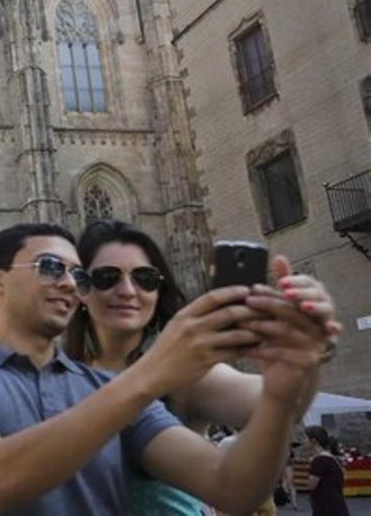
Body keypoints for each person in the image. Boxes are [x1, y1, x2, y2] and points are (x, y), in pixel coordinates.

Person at [0, 223, 332, 515]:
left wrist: (283, 389)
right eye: (51, 267)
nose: (70, 283)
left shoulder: (111, 390)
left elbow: (232, 486)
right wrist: (152, 374)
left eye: (78, 275)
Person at [63, 219, 338, 514]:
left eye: (145, 278)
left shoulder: (183, 374)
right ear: (81, 287)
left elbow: (277, 403)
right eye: (107, 277)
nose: (128, 290)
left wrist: (301, 361)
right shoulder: (61, 374)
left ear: (158, 290)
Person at [304, 426, 350, 516]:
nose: (304, 441)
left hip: (327, 505)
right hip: (335, 503)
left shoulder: (320, 460)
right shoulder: (330, 458)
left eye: (306, 438)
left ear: (313, 441)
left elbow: (311, 485)